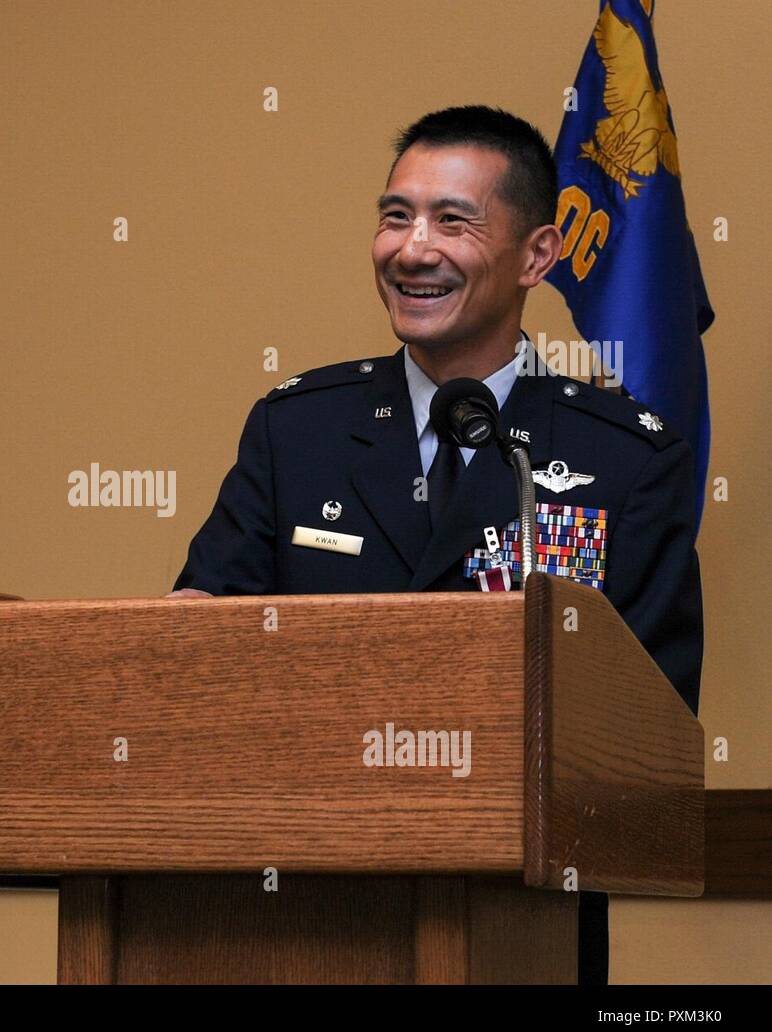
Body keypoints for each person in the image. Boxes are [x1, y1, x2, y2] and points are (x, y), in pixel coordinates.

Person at [169, 105, 703, 986]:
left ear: (537, 255)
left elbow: (654, 729)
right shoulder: (295, 431)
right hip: (296, 910)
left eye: (453, 221)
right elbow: (202, 651)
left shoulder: (627, 458)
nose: (413, 249)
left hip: (519, 922)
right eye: (394, 217)